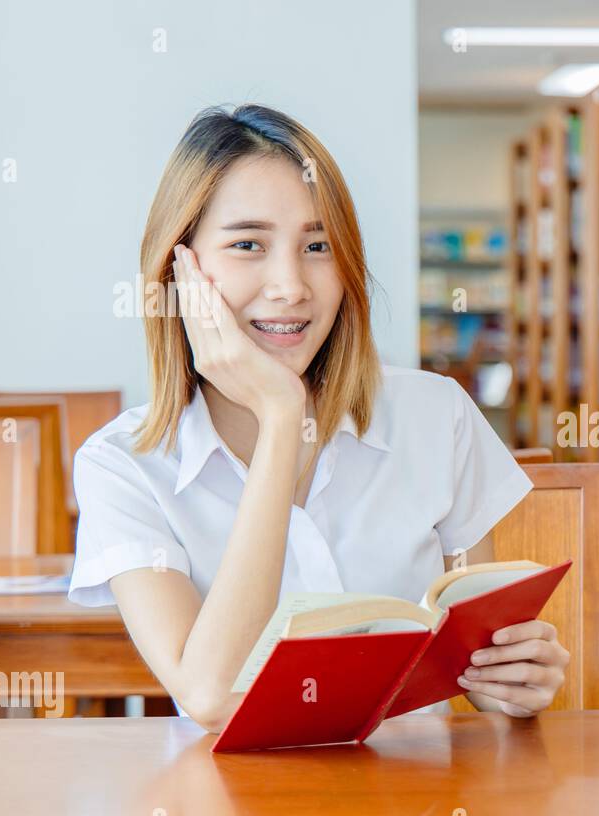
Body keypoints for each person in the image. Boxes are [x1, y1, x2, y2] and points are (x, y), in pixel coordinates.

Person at [68, 104, 569, 731]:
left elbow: (476, 647)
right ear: (180, 268)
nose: (291, 285)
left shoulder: (436, 417)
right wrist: (281, 418)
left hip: (415, 810)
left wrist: (505, 679)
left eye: (317, 245)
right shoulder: (122, 464)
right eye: (248, 244)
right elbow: (212, 695)